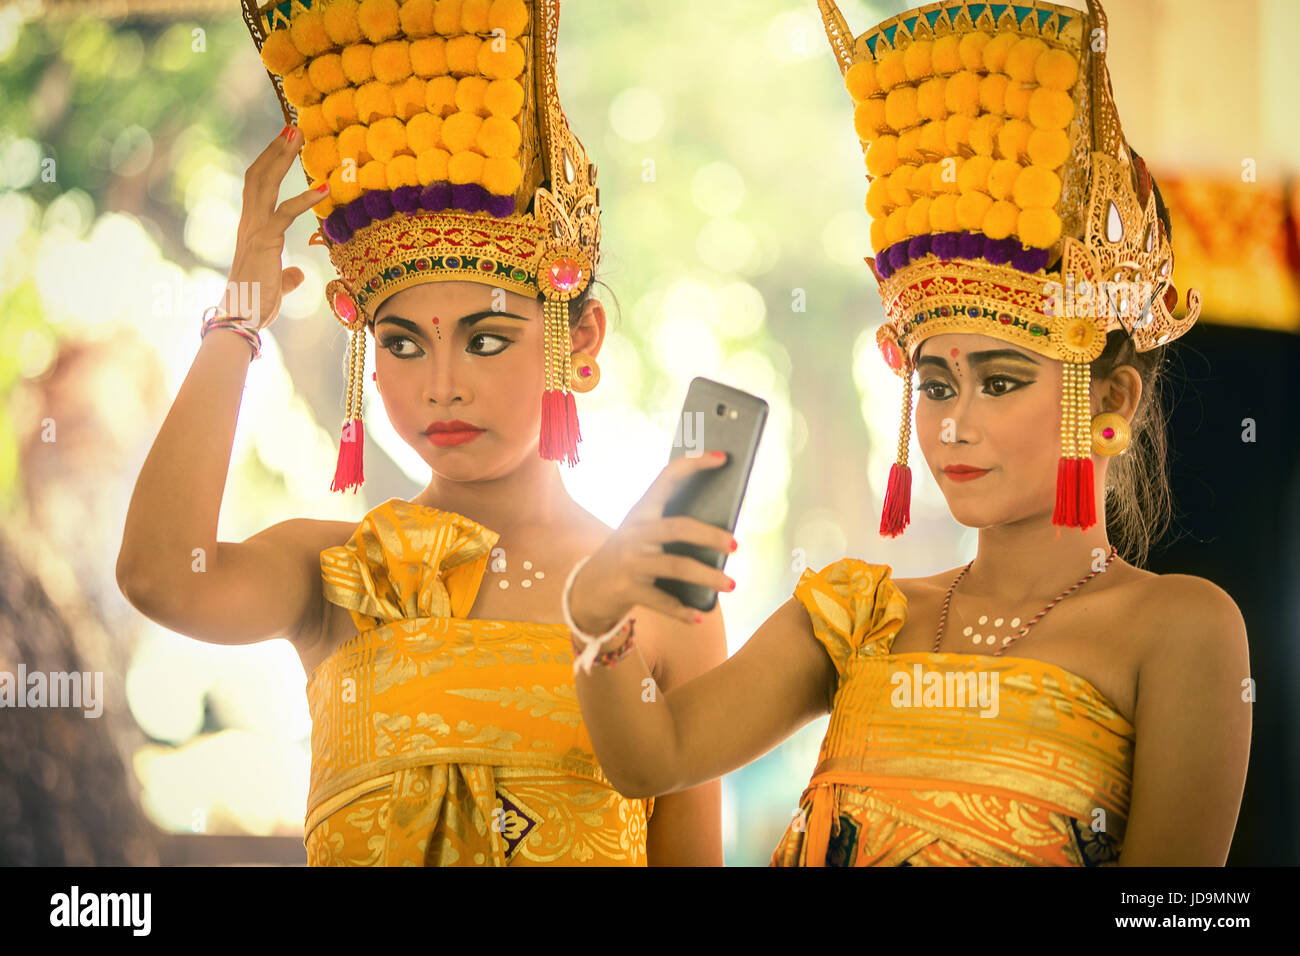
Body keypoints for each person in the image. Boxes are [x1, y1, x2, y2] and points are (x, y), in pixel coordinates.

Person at [564, 0, 1250, 866]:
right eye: (935, 384)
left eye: (999, 383)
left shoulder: (1182, 628)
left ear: (1109, 401)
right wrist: (598, 613)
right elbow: (651, 758)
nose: (955, 423)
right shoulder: (854, 618)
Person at [116, 0, 725, 866]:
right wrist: (237, 320)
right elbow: (158, 576)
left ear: (576, 339)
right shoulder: (338, 576)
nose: (441, 385)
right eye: (402, 343)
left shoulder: (662, 598)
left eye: (485, 338)